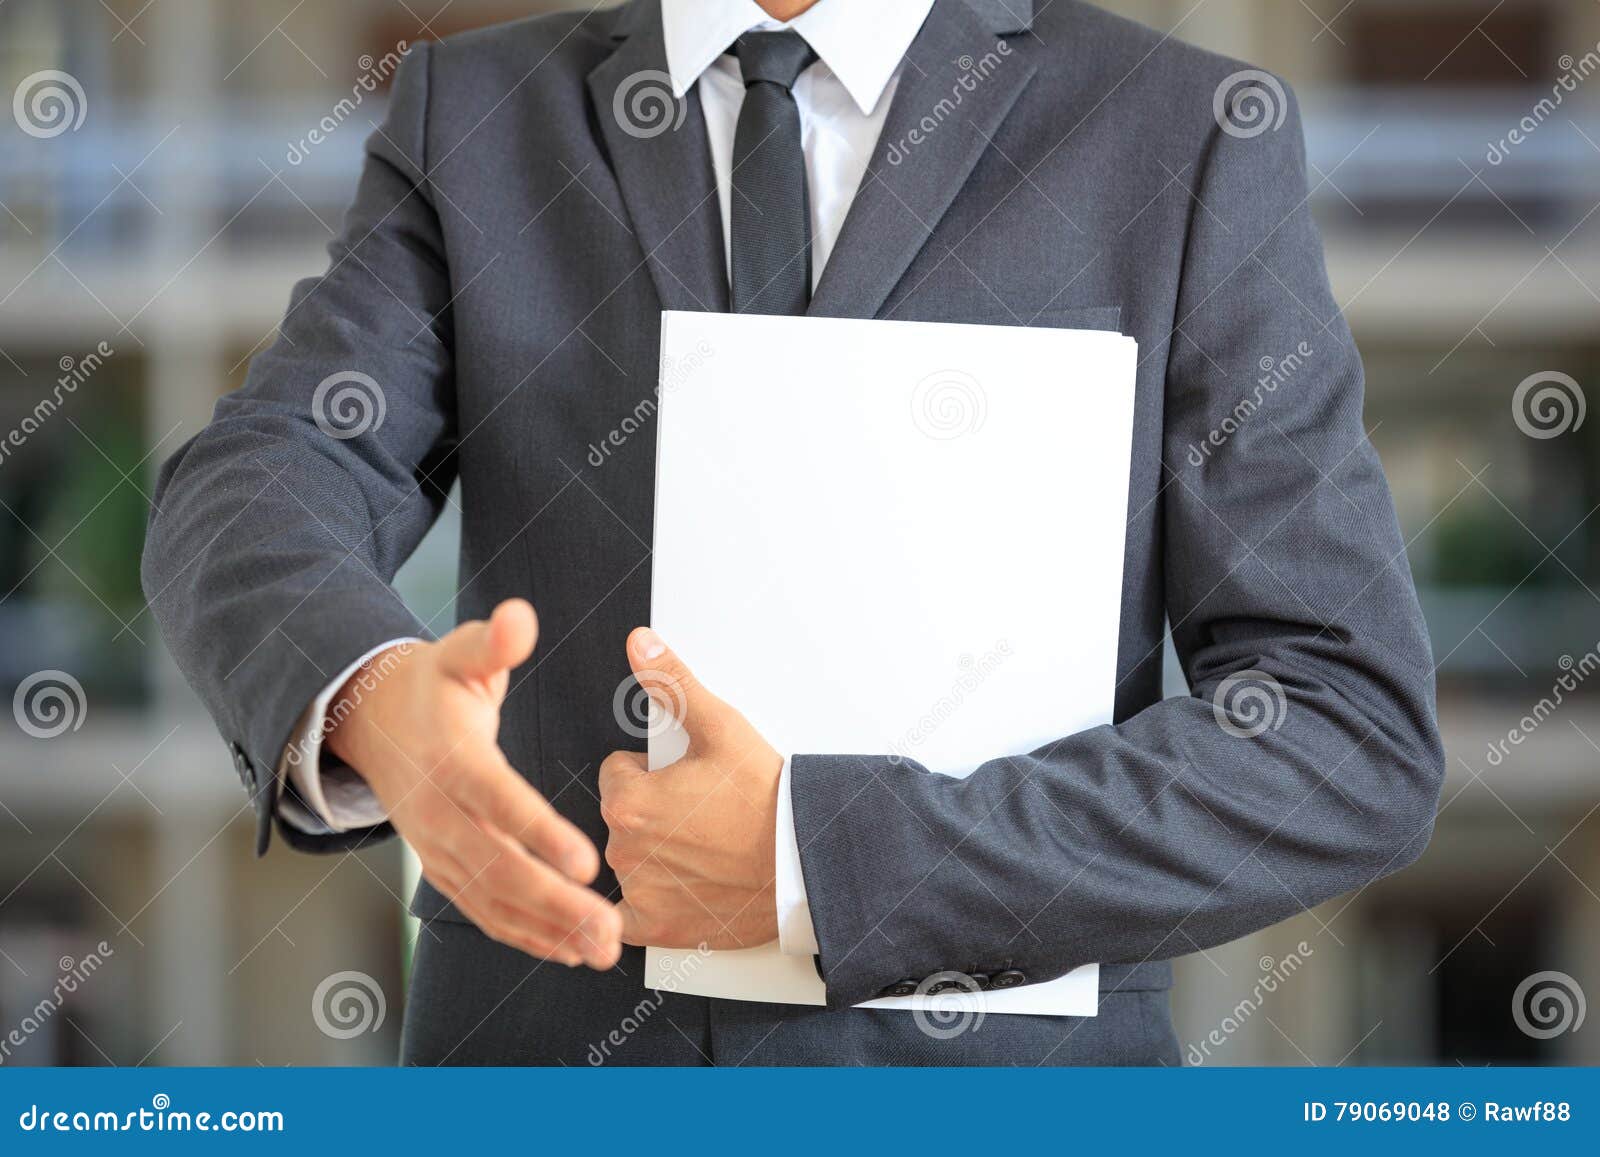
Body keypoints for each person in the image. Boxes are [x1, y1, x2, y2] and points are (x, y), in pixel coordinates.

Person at [143, 0, 1444, 1065]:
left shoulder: (1180, 134)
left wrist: (821, 861)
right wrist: (367, 690)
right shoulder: (475, 117)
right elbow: (265, 471)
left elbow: (1343, 728)